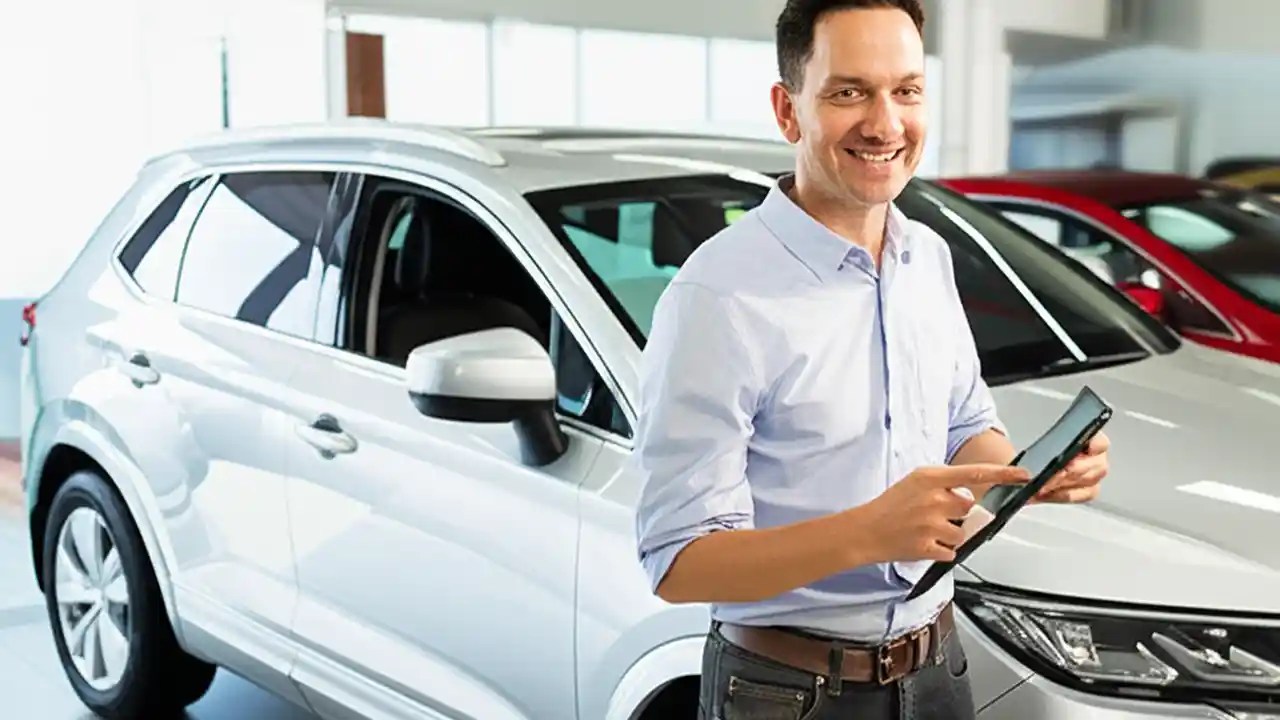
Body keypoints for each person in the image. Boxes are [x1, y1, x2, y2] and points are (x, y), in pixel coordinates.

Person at [630, 1, 1112, 718]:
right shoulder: (718, 296)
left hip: (938, 669)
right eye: (848, 92)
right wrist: (870, 532)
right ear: (788, 110)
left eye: (907, 90)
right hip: (785, 692)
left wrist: (1026, 473)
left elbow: (964, 423)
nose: (886, 125)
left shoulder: (928, 258)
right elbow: (677, 561)